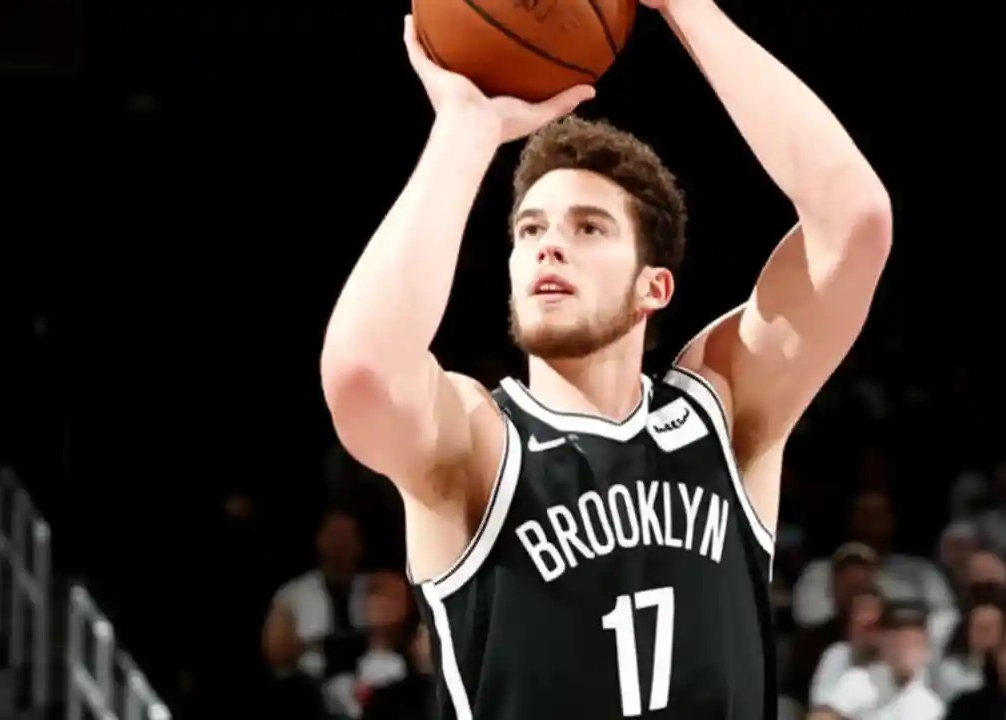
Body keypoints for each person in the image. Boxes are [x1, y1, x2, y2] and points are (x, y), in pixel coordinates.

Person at [320, 1, 891, 719]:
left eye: (588, 228)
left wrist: (687, 8)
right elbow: (362, 373)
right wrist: (464, 133)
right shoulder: (480, 445)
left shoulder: (720, 412)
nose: (548, 246)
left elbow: (855, 226)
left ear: (654, 285)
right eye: (529, 230)